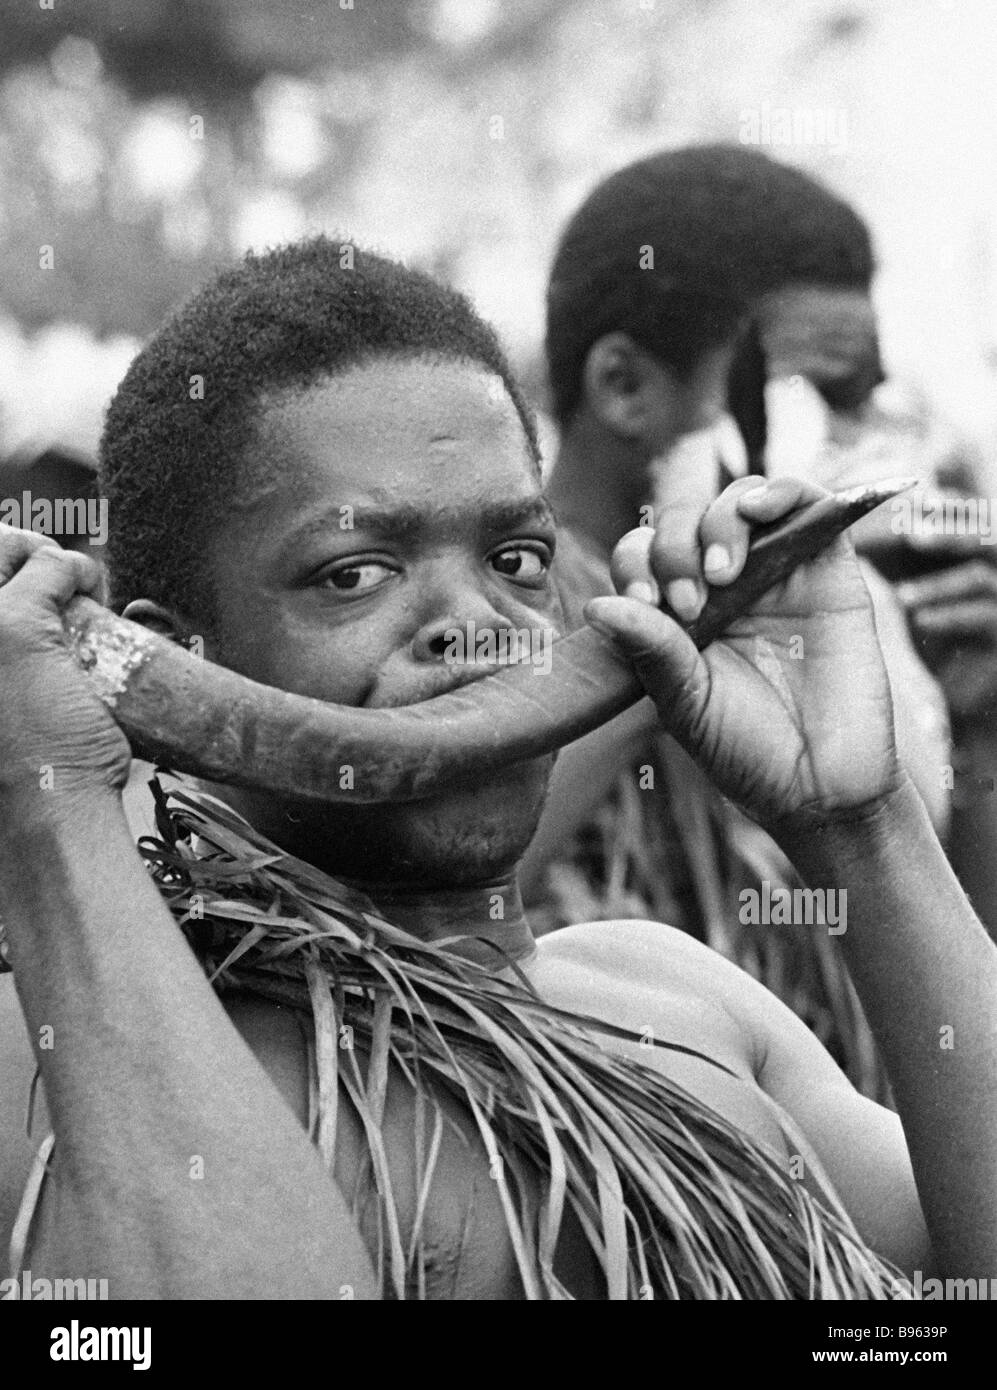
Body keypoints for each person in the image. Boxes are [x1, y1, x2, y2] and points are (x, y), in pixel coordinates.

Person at [0, 239, 994, 1299]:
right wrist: (53, 811)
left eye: (515, 559)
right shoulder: (51, 1066)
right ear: (173, 665)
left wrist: (861, 825)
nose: (477, 627)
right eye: (352, 573)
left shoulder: (682, 1001)